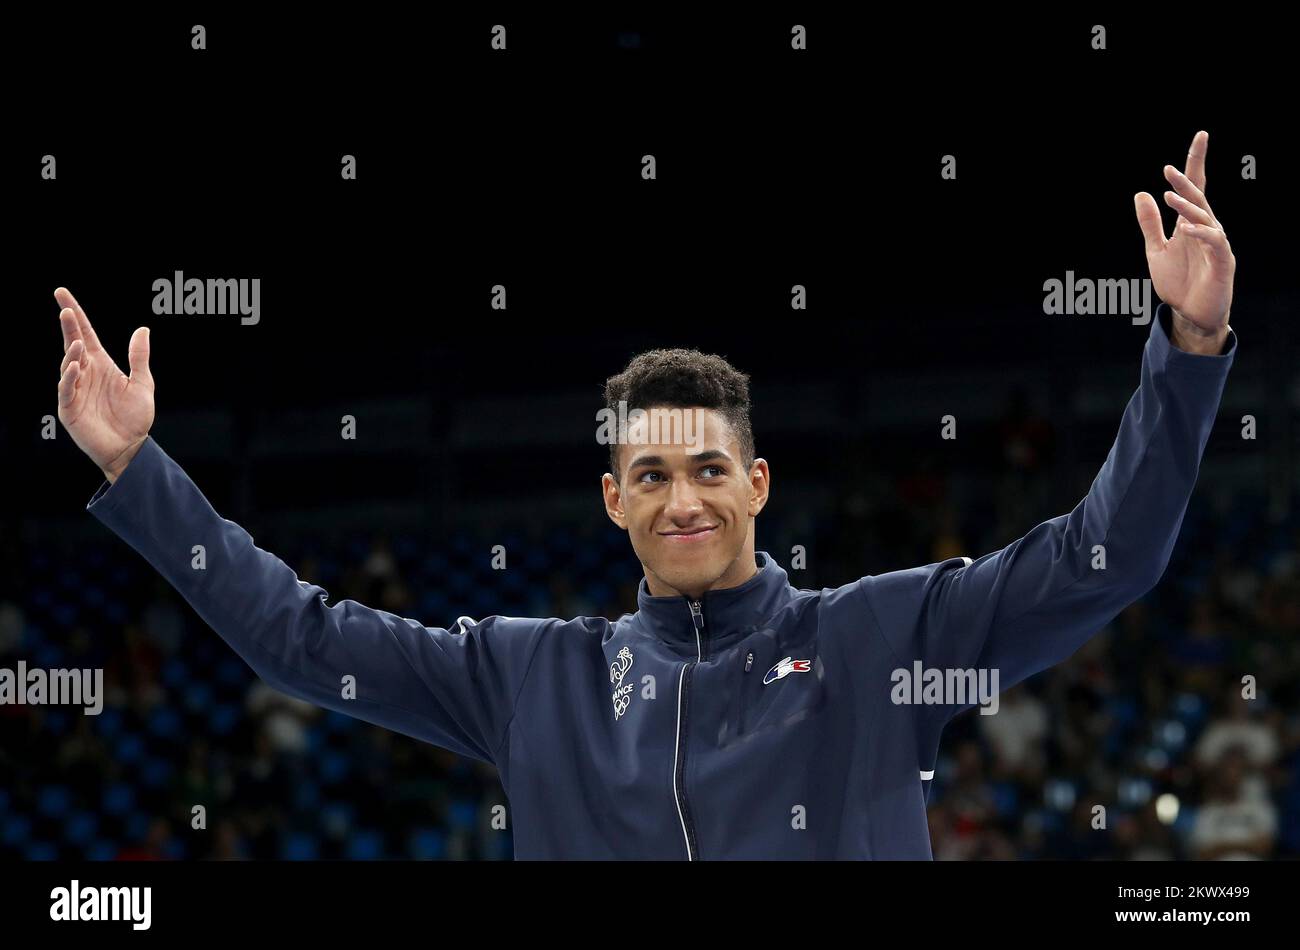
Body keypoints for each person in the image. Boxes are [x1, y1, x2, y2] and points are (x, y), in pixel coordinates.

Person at [52, 131, 1237, 859]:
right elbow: (296, 637)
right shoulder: (528, 676)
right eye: (655, 476)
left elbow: (1105, 556)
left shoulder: (878, 636)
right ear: (613, 498)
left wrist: (1187, 349)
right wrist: (136, 470)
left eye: (711, 470)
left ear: (757, 483)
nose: (686, 500)